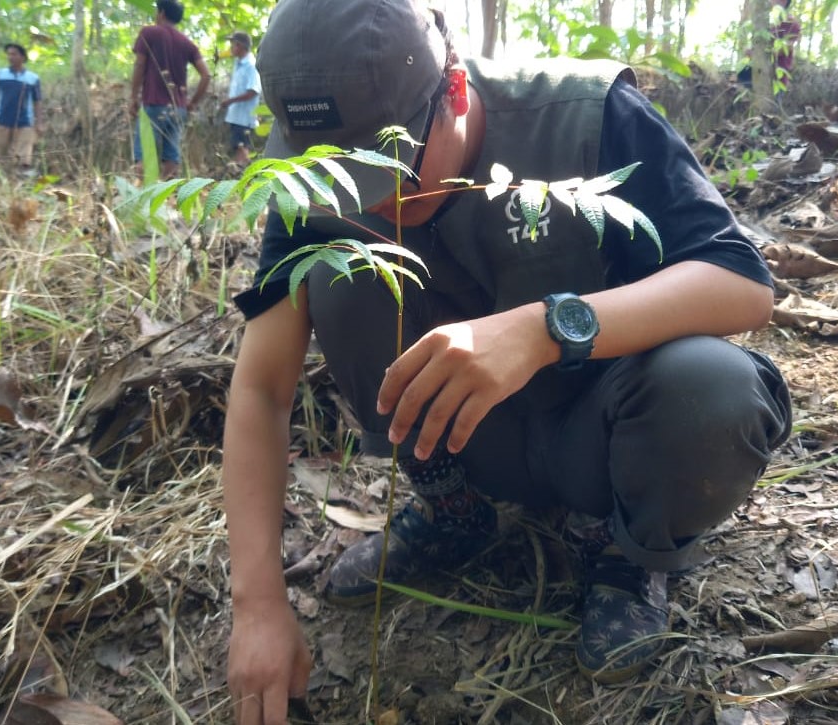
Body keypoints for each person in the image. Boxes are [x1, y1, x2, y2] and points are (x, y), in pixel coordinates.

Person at [223, 0, 792, 722]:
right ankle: (455, 510)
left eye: (388, 170)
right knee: (339, 277)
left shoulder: (587, 113)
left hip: (605, 427)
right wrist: (260, 604)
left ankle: (626, 554)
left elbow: (740, 283)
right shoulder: (315, 180)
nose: (373, 204)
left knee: (716, 390)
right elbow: (263, 388)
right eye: (340, 178)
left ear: (455, 91)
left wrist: (544, 328)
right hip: (467, 439)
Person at [129, 0, 211, 180]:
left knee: (144, 154)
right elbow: (206, 75)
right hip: (178, 108)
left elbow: (140, 64)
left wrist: (133, 97)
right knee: (172, 156)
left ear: (161, 13)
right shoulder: (187, 43)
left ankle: (142, 198)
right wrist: (191, 103)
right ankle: (169, 199)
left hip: (153, 104)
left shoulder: (148, 33)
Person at [736, 0, 802, 91]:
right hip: (758, 74)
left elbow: (785, 48)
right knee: (742, 74)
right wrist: (750, 52)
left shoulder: (791, 24)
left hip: (777, 79)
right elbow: (755, 49)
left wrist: (760, 55)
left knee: (773, 103)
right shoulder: (767, 26)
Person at [0, 43, 42, 169]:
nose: (10, 57)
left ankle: (21, 181)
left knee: (24, 157)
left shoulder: (32, 78)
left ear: (22, 57)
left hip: (25, 122)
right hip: (2, 120)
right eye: (9, 54)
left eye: (14, 54)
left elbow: (37, 101)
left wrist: (39, 123)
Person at [219, 31, 261, 169]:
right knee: (238, 145)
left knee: (242, 146)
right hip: (236, 116)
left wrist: (230, 101)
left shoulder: (251, 66)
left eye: (233, 44)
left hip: (244, 117)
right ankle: (239, 173)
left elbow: (252, 92)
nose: (231, 47)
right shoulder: (238, 64)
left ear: (240, 46)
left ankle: (245, 172)